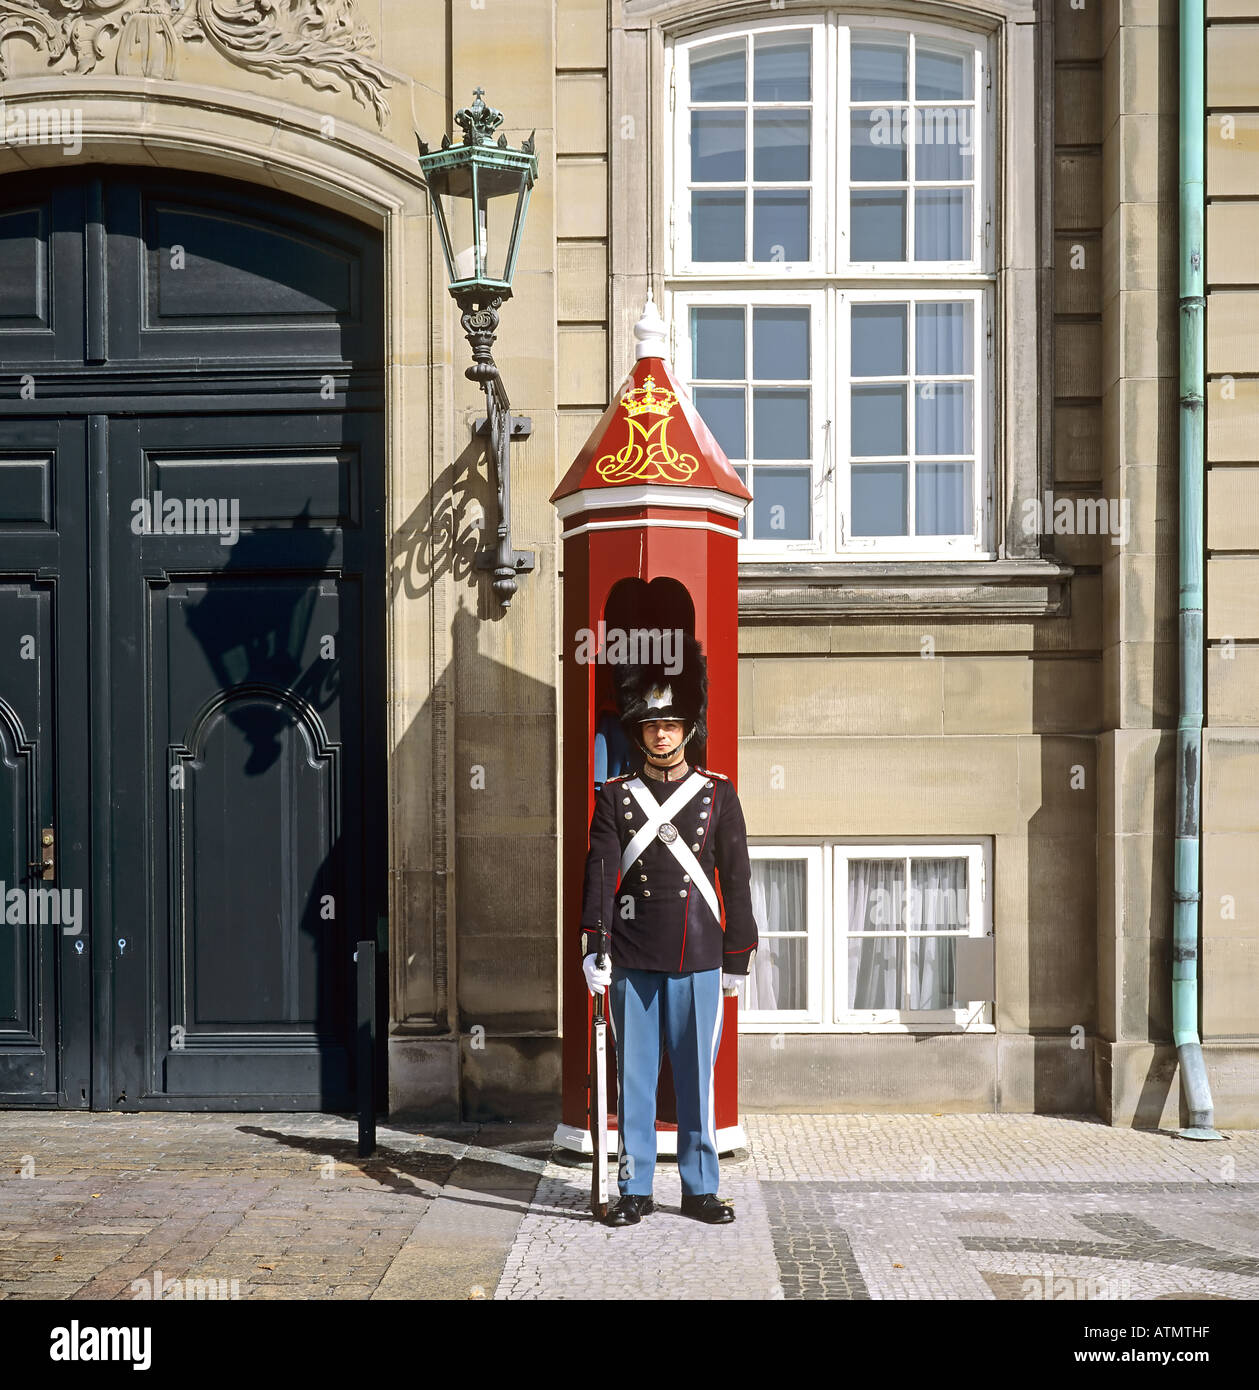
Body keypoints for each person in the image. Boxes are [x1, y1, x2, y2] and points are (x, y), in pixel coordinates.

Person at [579, 632, 757, 1226]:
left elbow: (736, 879)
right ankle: (635, 1187)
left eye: (671, 724)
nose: (662, 734)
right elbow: (601, 875)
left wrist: (738, 956)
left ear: (687, 730)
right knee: (634, 1078)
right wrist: (595, 943)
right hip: (632, 957)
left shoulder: (717, 794)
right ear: (640, 733)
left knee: (694, 1079)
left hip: (700, 957)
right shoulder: (615, 798)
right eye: (652, 726)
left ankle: (700, 1186)